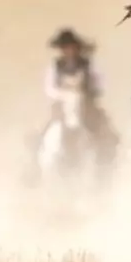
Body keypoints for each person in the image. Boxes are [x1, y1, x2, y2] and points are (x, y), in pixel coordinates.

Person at [42, 27, 115, 161]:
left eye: (71, 47)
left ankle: (107, 159)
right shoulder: (55, 66)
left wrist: (87, 93)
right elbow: (50, 88)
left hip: (85, 104)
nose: (69, 50)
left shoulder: (89, 64)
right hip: (61, 105)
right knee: (42, 132)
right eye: (65, 47)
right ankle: (34, 165)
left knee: (106, 131)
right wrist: (63, 95)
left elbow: (99, 83)